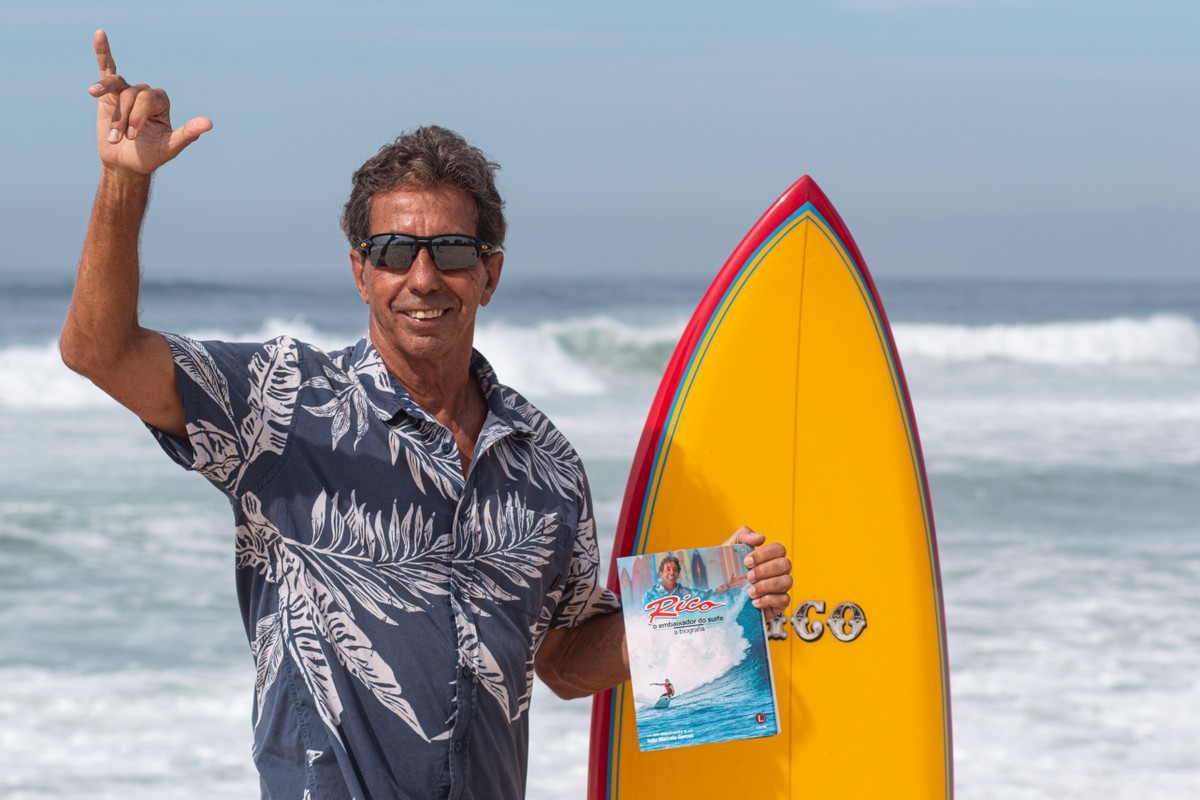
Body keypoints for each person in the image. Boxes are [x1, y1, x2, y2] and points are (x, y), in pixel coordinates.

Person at [61, 30, 794, 800]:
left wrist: (713, 605)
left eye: (449, 250)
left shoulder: (544, 462)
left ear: (489, 273)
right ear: (359, 270)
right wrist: (123, 183)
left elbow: (565, 658)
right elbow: (99, 351)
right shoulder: (282, 403)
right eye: (393, 250)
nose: (422, 277)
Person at [640, 554, 746, 607]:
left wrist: (728, 585)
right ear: (661, 573)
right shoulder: (651, 595)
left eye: (675, 570)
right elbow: (642, 618)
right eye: (668, 570)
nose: (672, 573)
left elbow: (710, 593)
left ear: (678, 574)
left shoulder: (687, 593)